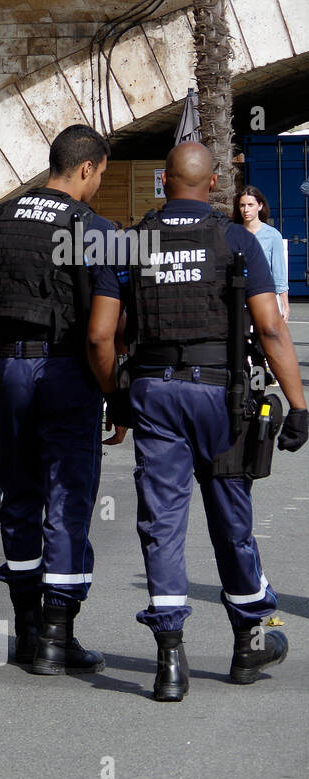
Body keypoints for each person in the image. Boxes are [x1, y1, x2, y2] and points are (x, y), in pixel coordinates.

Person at [88, 142, 307, 701]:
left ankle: (169, 661)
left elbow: (101, 335)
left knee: (161, 521)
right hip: (220, 396)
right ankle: (247, 640)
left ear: (163, 182)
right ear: (214, 184)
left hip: (155, 393)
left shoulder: (128, 242)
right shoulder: (237, 241)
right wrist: (299, 404)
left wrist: (115, 396)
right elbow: (274, 330)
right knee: (230, 519)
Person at [0, 123, 114, 674]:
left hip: (9, 366)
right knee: (68, 498)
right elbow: (100, 330)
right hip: (66, 369)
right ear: (87, 168)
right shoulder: (91, 227)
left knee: (20, 494)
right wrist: (116, 392)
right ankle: (57, 635)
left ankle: (24, 629)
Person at [233, 186, 288, 320]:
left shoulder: (273, 235)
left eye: (250, 205)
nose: (246, 210)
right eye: (242, 205)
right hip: (238, 298)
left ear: (260, 206)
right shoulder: (232, 233)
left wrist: (284, 303)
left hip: (264, 298)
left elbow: (278, 272)